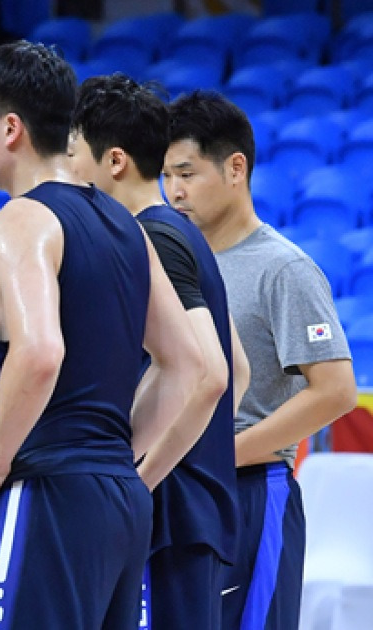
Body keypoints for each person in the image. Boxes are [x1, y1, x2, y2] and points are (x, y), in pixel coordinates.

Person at [0, 41, 223, 630]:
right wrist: (115, 455)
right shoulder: (128, 226)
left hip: (46, 492)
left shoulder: (21, 219)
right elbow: (188, 365)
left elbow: (42, 350)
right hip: (120, 501)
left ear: (11, 128)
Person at [165, 91, 357, 630]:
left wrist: (224, 453)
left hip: (250, 492)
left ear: (235, 168)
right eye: (165, 175)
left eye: (187, 173)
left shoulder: (283, 269)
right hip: (178, 488)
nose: (173, 191)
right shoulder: (169, 264)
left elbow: (337, 390)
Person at [69, 73, 248, 630]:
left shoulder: (154, 237)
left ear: (113, 161)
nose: (69, 169)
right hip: (192, 509)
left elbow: (212, 375)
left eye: (74, 152)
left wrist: (139, 478)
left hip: (169, 513)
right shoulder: (179, 231)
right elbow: (237, 369)